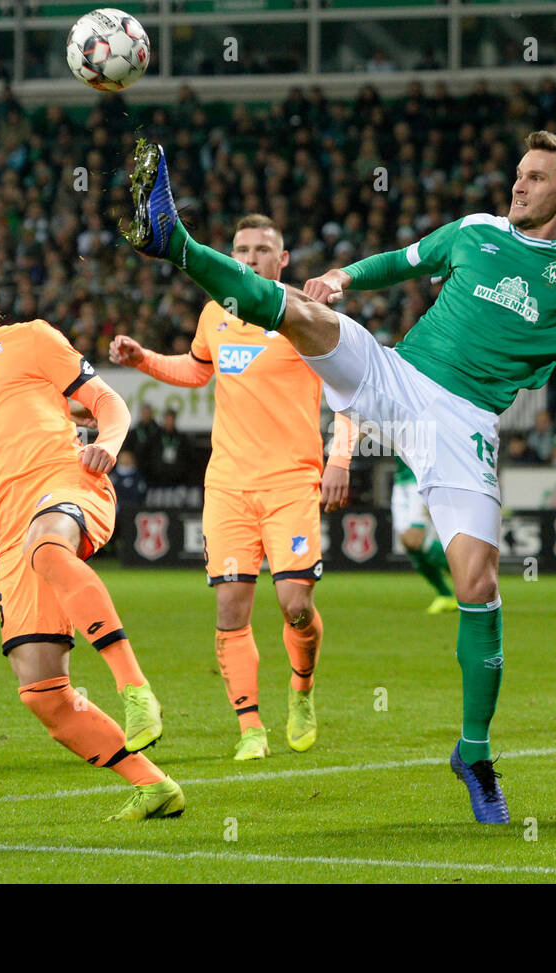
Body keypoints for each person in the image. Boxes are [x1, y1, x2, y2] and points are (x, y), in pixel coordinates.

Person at [122, 131, 556, 823]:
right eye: (519, 173)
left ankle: (473, 750)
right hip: (398, 376)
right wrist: (346, 277)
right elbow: (402, 261)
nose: (519, 185)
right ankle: (175, 241)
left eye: (534, 178)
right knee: (299, 312)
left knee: (480, 583)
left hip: (463, 427)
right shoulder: (473, 231)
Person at [0, 251, 181, 821]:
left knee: (48, 545)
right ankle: (153, 787)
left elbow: (109, 402)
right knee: (43, 693)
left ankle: (136, 691)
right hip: (12, 536)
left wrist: (110, 440)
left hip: (69, 484)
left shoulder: (30, 338)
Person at [111, 213, 351, 760]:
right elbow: (198, 371)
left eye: (262, 250)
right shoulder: (215, 312)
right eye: (241, 249)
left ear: (282, 259)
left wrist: (340, 457)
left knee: (294, 604)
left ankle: (302, 688)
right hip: (227, 485)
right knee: (230, 611)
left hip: (291, 481)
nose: (248, 259)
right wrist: (142, 358)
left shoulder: (302, 315)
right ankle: (250, 729)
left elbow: (348, 392)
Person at [392, 455, 457, 613]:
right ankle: (446, 595)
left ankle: (473, 580)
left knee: (415, 540)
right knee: (408, 544)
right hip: (401, 481)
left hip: (422, 479)